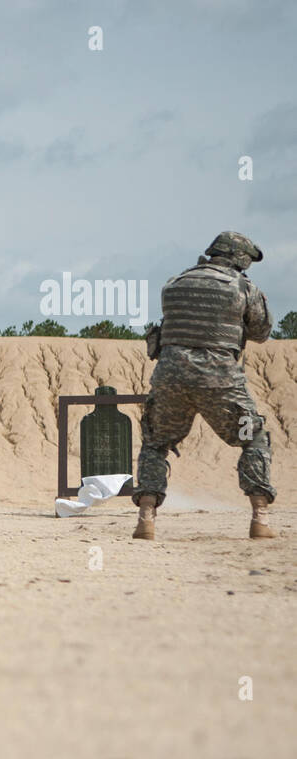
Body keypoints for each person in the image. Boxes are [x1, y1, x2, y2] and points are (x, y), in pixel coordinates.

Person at [132, 231, 275, 540]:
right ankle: (260, 520)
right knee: (254, 437)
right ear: (238, 257)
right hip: (219, 378)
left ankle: (146, 519)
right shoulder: (242, 286)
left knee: (155, 443)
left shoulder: (176, 282)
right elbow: (262, 331)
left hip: (170, 375)